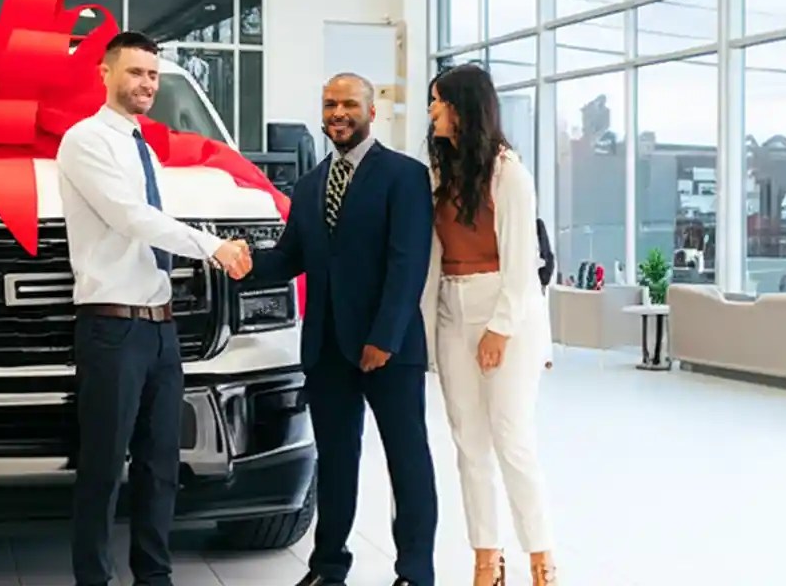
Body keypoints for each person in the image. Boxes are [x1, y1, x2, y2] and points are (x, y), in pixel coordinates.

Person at [56, 30, 252, 586]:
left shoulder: (144, 147)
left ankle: (154, 577)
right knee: (101, 468)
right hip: (112, 327)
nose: (145, 83)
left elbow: (154, 220)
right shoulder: (86, 140)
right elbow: (131, 217)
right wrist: (213, 247)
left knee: (160, 466)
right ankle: (94, 578)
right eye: (135, 72)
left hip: (161, 329)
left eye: (152, 75)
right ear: (105, 73)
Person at [245, 72, 438, 586]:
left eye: (349, 104)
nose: (338, 113)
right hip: (327, 349)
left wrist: (385, 338)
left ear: (371, 112)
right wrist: (240, 261)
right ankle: (328, 568)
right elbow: (290, 258)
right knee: (334, 465)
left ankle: (416, 574)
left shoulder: (405, 176)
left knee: (407, 463)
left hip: (389, 349)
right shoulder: (309, 186)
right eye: (330, 104)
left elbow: (407, 264)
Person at [421, 63, 557, 586]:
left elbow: (523, 265)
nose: (431, 111)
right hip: (452, 310)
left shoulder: (510, 174)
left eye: (438, 101)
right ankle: (486, 559)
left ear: (463, 108)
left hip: (507, 311)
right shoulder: (439, 173)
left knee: (511, 437)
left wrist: (499, 330)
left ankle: (542, 560)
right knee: (468, 442)